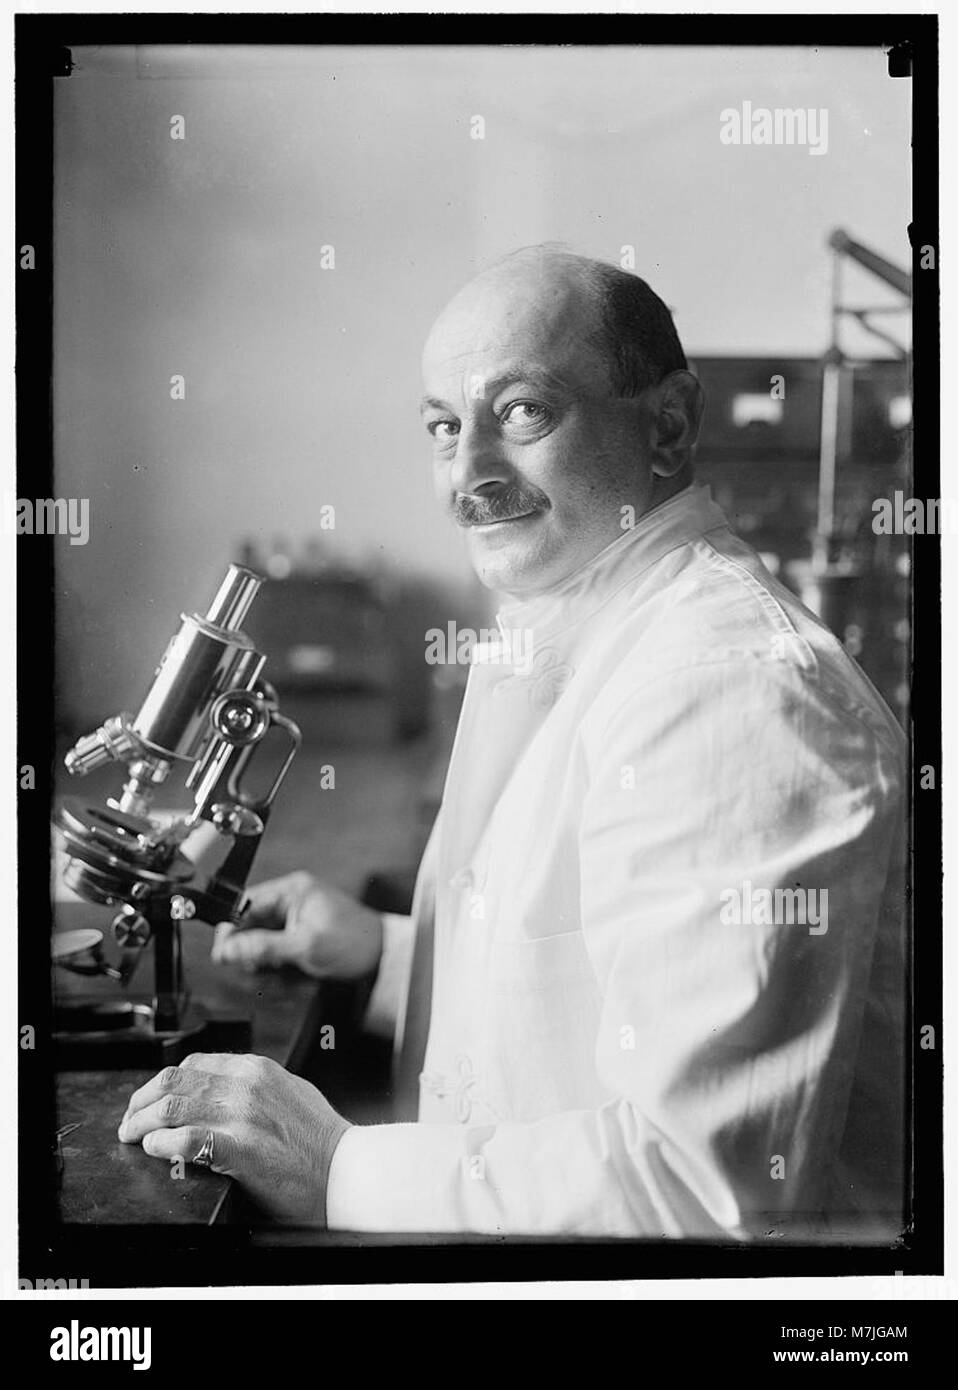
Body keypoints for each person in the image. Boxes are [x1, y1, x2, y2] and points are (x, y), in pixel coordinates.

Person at [118, 246, 906, 1240]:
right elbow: (612, 983)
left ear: (667, 425)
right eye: (445, 426)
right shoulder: (587, 618)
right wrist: (388, 956)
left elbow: (701, 1192)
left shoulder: (730, 689)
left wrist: (334, 1163)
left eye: (524, 412)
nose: (468, 478)